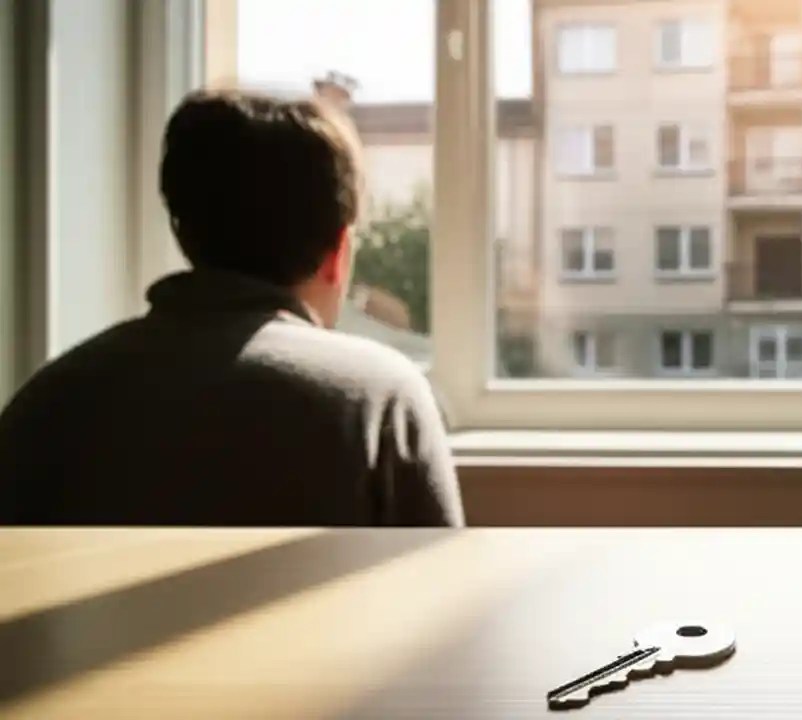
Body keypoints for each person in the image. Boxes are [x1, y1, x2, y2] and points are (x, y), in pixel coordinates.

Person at [0, 91, 463, 526]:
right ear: (338, 253)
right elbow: (445, 599)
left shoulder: (47, 403)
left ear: (183, 231)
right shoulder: (380, 402)